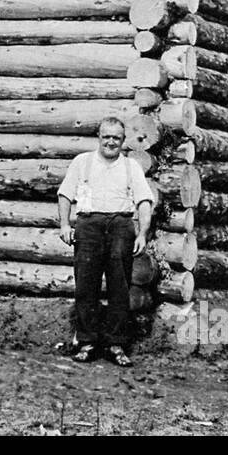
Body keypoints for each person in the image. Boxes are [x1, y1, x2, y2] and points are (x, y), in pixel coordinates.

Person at [56, 117, 155, 367]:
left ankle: (116, 344)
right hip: (88, 225)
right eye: (106, 137)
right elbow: (65, 194)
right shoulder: (83, 162)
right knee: (86, 285)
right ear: (99, 137)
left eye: (116, 138)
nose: (111, 142)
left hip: (121, 226)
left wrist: (142, 232)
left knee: (119, 287)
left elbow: (144, 200)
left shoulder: (131, 166)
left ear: (123, 141)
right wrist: (65, 224)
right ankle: (87, 342)